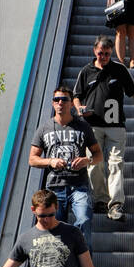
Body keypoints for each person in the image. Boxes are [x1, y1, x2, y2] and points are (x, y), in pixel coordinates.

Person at [73, 35, 134, 221]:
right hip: (93, 126)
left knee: (116, 164)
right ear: (95, 51)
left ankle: (116, 204)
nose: (103, 57)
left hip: (116, 126)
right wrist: (79, 108)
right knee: (94, 165)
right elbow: (77, 95)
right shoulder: (86, 71)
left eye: (107, 54)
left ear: (111, 54)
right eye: (100, 53)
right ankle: (100, 199)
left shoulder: (119, 70)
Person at [29, 86, 102, 248]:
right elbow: (32, 159)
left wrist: (86, 161)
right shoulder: (44, 128)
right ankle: (64, 266)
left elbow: (98, 155)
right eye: (56, 100)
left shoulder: (83, 126)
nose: (60, 102)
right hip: (54, 187)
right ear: (52, 103)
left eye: (64, 99)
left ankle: (83, 266)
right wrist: (50, 161)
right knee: (55, 230)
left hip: (80, 186)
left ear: (71, 104)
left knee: (84, 220)